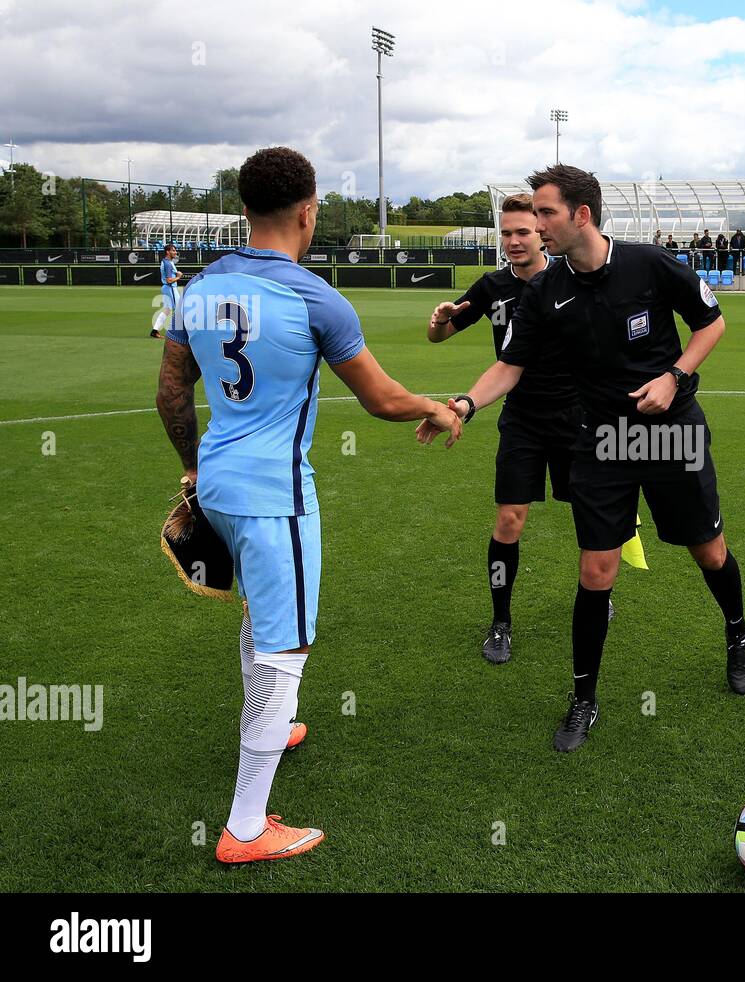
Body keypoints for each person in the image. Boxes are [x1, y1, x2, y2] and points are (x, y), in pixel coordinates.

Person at [156, 146, 461, 863]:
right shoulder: (316, 296)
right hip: (275, 498)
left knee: (260, 619)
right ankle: (246, 828)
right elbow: (383, 399)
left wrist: (194, 469)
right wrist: (437, 408)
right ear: (307, 210)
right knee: (285, 645)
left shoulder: (198, 286)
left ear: (244, 209)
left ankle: (278, 724)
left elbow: (170, 391)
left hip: (220, 486)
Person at [450, 164, 745, 752]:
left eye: (545, 214)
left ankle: (737, 635)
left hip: (671, 432)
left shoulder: (649, 264)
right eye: (533, 216)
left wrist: (675, 375)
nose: (535, 227)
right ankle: (583, 699)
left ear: (579, 215)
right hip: (602, 441)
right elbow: (510, 366)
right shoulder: (545, 290)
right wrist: (465, 403)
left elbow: (711, 323)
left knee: (708, 551)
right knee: (596, 571)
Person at [426, 193, 588, 663]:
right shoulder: (491, 286)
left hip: (576, 417)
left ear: (541, 231)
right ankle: (501, 621)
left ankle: (597, 592)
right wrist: (440, 322)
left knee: (588, 518)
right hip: (521, 418)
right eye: (507, 233)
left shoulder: (573, 283)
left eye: (523, 231)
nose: (514, 241)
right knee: (509, 519)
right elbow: (441, 336)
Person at [152, 244, 185, 339]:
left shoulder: (167, 262)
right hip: (170, 288)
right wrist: (178, 277)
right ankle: (175, 332)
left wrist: (176, 274)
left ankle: (155, 331)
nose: (175, 252)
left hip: (168, 288)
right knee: (179, 309)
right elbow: (169, 280)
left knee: (167, 310)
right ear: (168, 252)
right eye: (173, 250)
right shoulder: (167, 263)